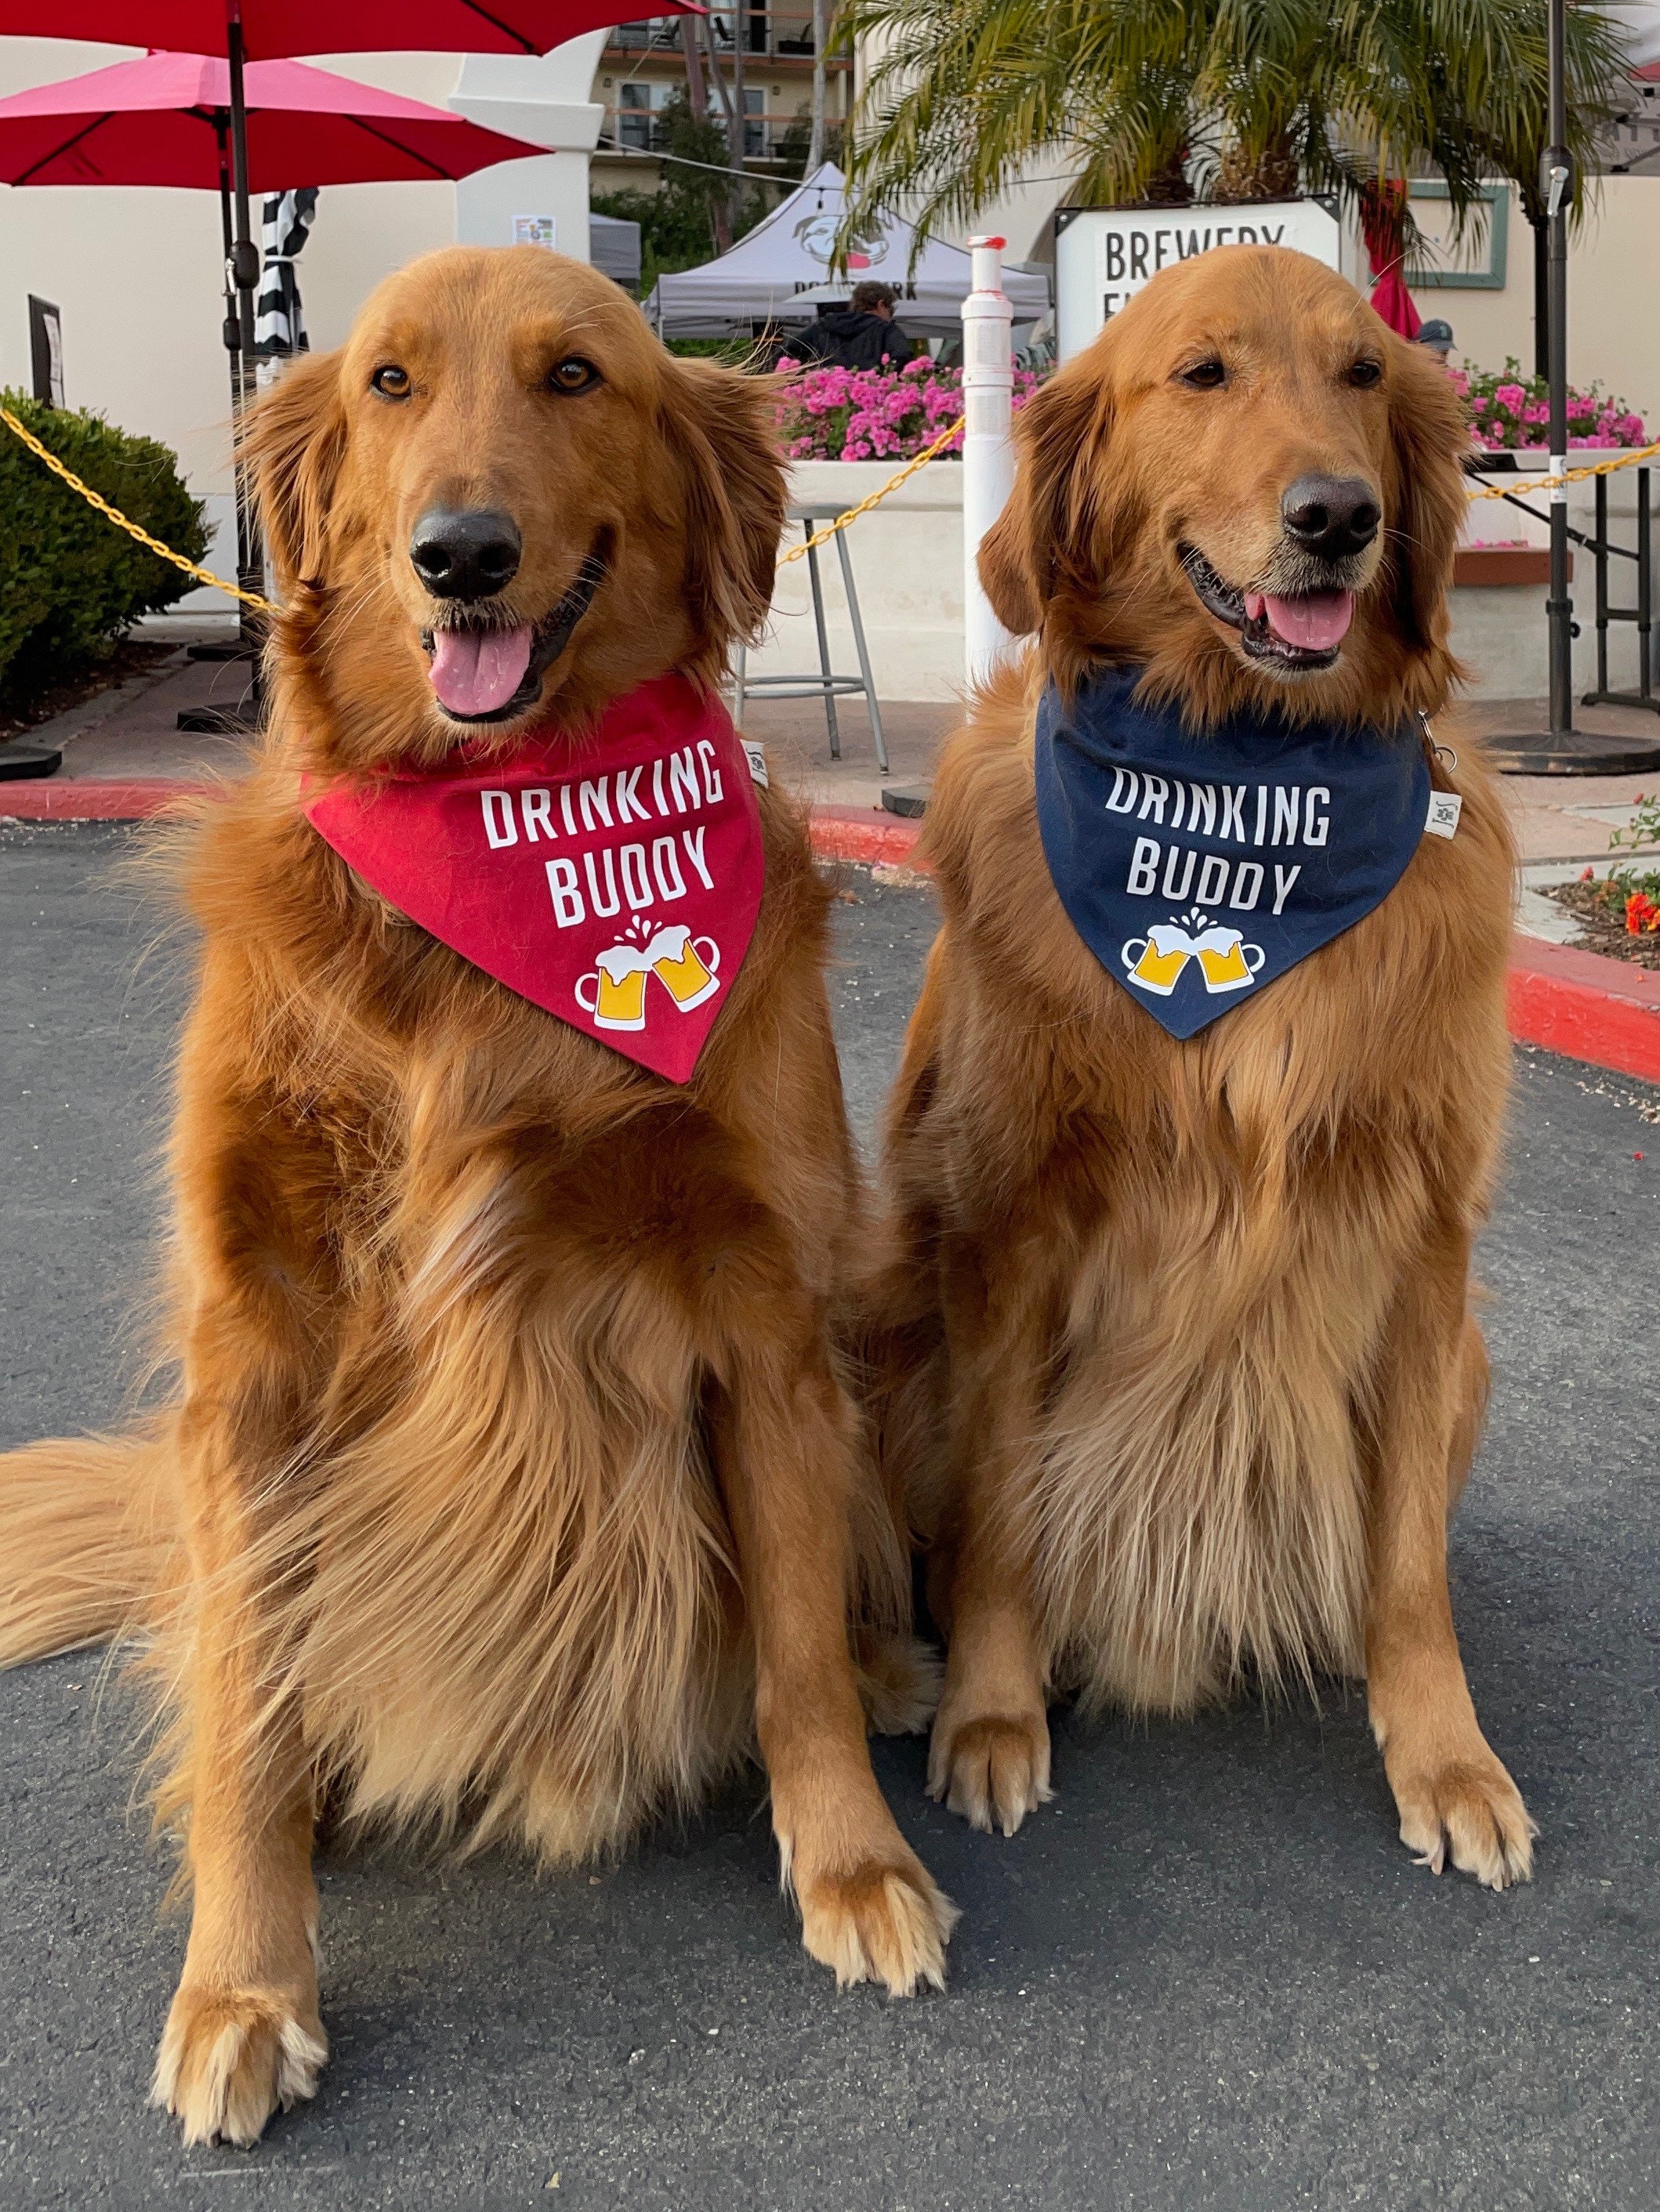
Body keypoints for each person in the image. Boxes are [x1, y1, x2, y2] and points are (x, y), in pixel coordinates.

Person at [788, 280, 919, 371]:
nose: (891, 316)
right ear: (881, 304)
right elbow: (902, 358)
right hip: (872, 402)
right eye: (891, 310)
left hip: (828, 400)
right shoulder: (887, 330)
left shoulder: (823, 327)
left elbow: (786, 353)